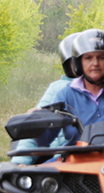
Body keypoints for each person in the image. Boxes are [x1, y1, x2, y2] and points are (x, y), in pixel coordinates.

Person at [12, 32, 82, 165]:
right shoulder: (59, 89)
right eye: (77, 61)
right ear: (68, 64)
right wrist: (20, 162)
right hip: (65, 157)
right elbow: (37, 127)